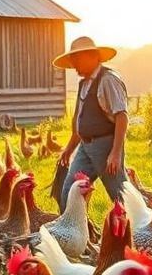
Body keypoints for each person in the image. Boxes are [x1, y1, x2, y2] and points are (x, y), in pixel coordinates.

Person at [53, 36, 129, 211]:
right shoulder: (84, 84)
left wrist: (115, 153)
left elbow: (121, 116)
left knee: (120, 194)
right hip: (85, 147)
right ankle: (74, 234)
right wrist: (69, 148)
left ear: (92, 56)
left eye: (77, 60)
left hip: (105, 146)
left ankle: (139, 232)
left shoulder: (108, 80)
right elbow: (79, 121)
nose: (74, 65)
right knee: (70, 191)